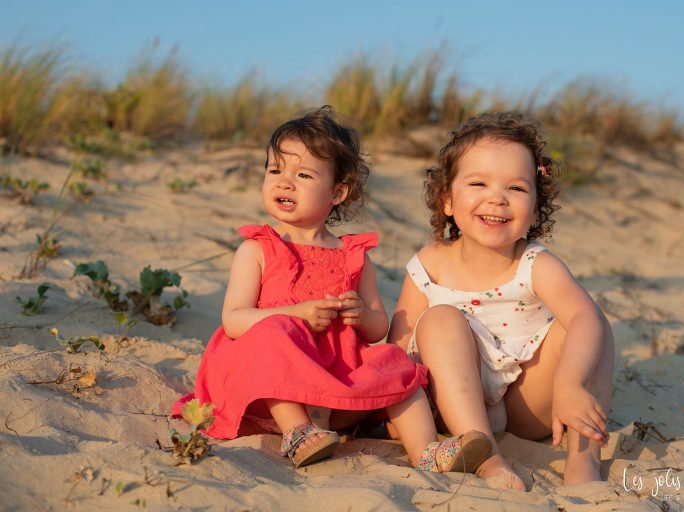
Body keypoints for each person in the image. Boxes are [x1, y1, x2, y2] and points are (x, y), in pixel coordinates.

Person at [173, 106, 492, 473]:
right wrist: (294, 314)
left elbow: (378, 327)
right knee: (271, 333)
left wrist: (361, 315)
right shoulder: (258, 249)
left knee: (392, 360)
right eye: (275, 170)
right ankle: (298, 433)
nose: (284, 182)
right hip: (267, 392)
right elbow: (233, 320)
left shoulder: (353, 256)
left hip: (334, 387)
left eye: (303, 175)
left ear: (337, 192)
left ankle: (427, 451)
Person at [387, 111, 615, 488]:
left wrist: (569, 382)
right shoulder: (429, 265)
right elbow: (396, 351)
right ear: (447, 200)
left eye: (517, 188)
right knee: (440, 319)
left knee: (591, 323)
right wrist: (397, 413)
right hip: (451, 403)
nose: (497, 198)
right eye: (479, 183)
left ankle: (583, 459)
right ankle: (487, 458)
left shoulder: (536, 264)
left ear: (535, 209)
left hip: (526, 404)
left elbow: (583, 319)